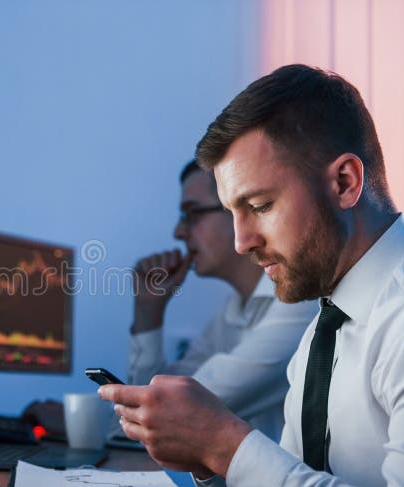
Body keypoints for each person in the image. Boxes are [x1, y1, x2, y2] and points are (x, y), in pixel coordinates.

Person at [99, 64, 404, 487]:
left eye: (259, 207)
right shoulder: (326, 322)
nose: (241, 241)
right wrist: (211, 457)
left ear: (345, 183)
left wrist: (226, 445)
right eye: (234, 212)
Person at [129, 160, 316, 441]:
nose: (179, 233)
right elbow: (152, 404)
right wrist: (148, 311)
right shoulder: (230, 311)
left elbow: (172, 411)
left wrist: (110, 417)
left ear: (238, 211)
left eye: (191, 214)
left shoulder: (302, 303)